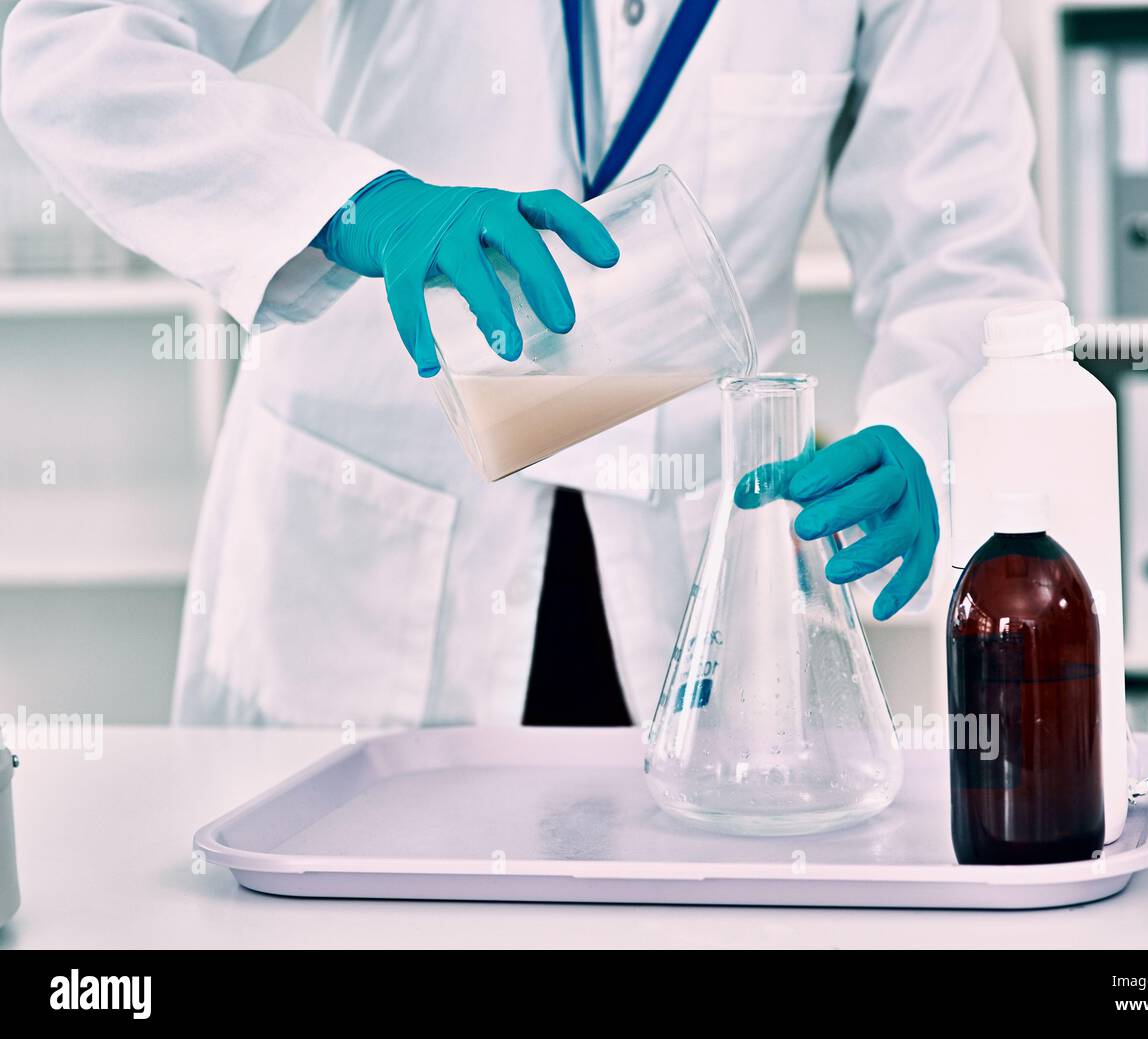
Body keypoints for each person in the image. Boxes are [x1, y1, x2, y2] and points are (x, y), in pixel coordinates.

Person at [1, 0, 1060, 728]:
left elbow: (965, 258)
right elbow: (75, 40)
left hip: (702, 573)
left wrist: (930, 435)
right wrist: (349, 205)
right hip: (380, 528)